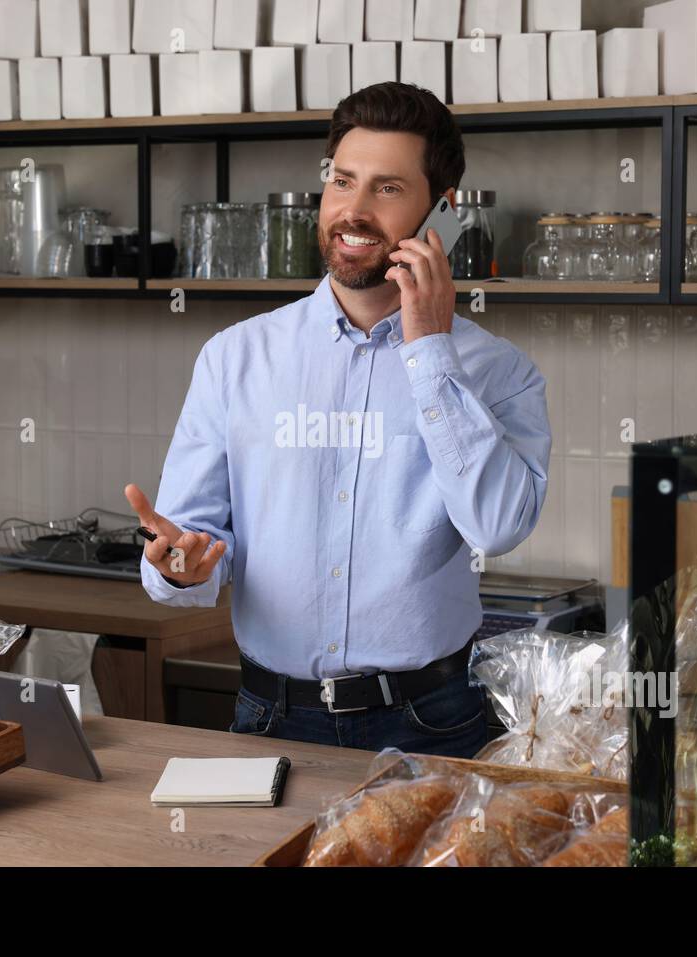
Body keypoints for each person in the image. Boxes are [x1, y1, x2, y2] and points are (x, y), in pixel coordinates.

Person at [126, 81, 550, 757]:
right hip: (268, 717)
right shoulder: (236, 358)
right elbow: (194, 545)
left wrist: (431, 353)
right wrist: (181, 564)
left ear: (438, 210)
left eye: (387, 188)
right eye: (342, 181)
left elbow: (496, 527)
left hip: (434, 722)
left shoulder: (500, 371)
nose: (353, 210)